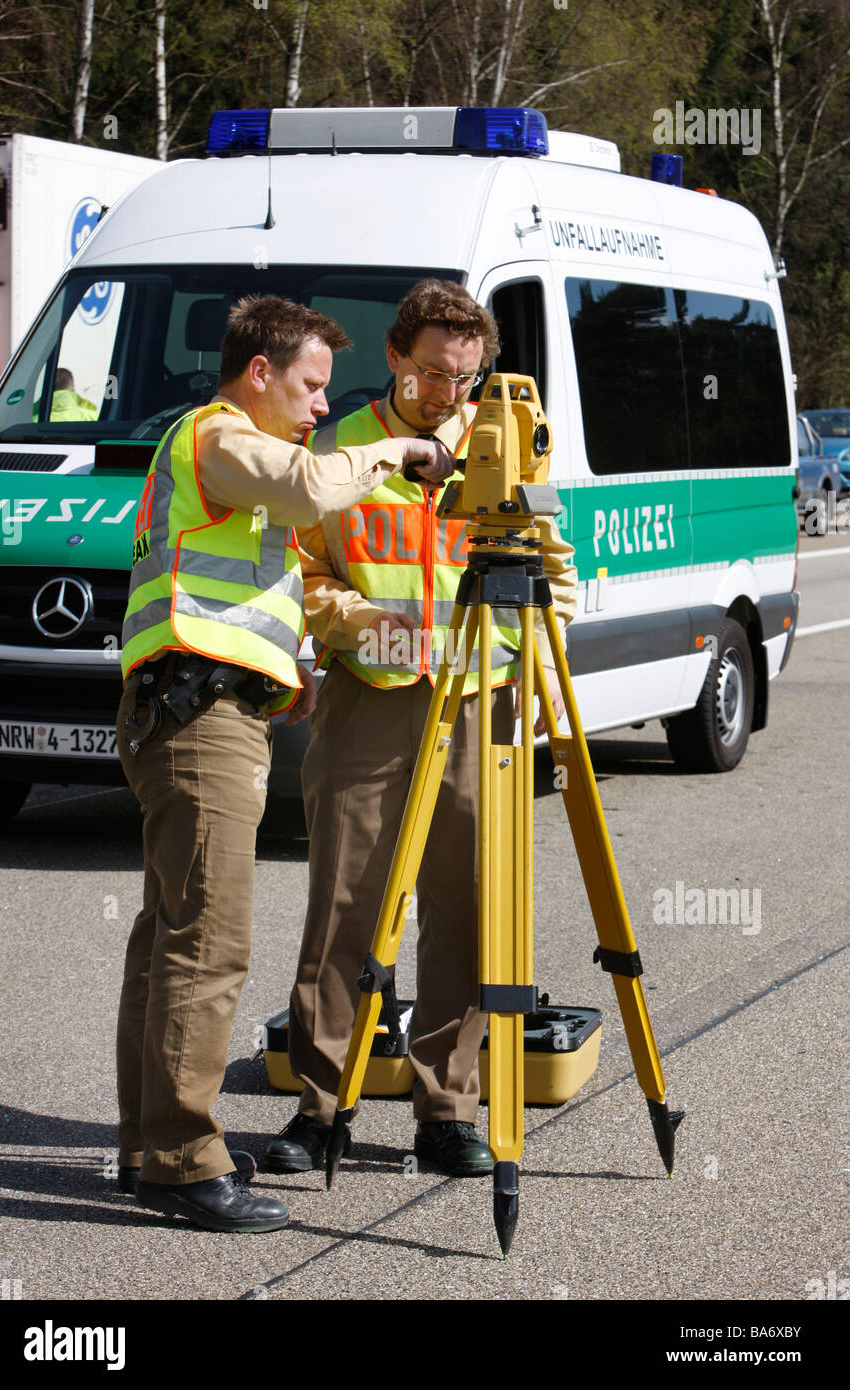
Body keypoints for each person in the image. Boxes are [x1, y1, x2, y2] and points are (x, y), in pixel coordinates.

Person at [115, 294, 457, 1233]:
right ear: (257, 372)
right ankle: (183, 1160)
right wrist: (394, 452)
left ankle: (148, 1148)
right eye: (308, 387)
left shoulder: (225, 461)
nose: (317, 408)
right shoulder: (217, 434)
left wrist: (286, 659)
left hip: (203, 701)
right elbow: (311, 488)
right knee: (207, 944)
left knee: (166, 940)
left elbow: (254, 577)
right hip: (196, 712)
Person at [264, 280, 578, 1178]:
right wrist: (358, 623)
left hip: (481, 696)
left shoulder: (498, 444)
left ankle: (448, 1109)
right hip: (373, 697)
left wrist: (546, 659)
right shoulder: (337, 454)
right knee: (344, 911)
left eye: (468, 378)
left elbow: (549, 564)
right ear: (397, 357)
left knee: (471, 909)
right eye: (437, 376)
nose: (452, 396)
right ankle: (322, 1108)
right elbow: (301, 576)